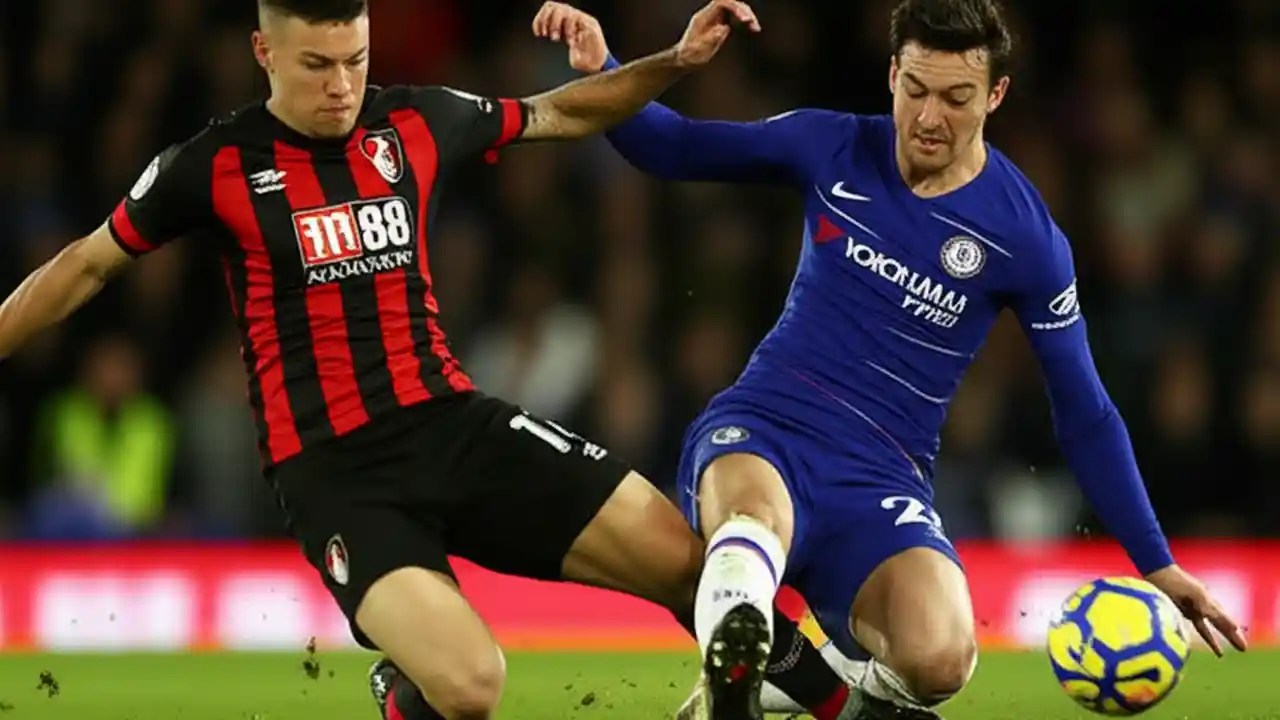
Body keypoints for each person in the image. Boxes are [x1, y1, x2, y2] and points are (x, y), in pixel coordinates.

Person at [0, 2, 851, 719]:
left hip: (452, 423)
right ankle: (405, 686)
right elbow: (85, 264)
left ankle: (846, 705)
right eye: (317, 65)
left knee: (694, 567)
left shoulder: (415, 120)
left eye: (355, 60)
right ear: (264, 52)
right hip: (337, 472)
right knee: (473, 687)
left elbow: (563, 112)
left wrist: (674, 60)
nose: (341, 85)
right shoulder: (212, 165)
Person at [535, 0, 1251, 718]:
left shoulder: (1026, 239)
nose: (930, 117)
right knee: (751, 520)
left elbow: (1085, 412)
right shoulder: (833, 145)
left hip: (881, 475)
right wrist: (605, 68)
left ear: (995, 95)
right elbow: (672, 146)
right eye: (915, 89)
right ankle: (738, 671)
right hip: (766, 429)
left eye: (956, 98)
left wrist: (1156, 561)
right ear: (891, 76)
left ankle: (781, 685)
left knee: (941, 658)